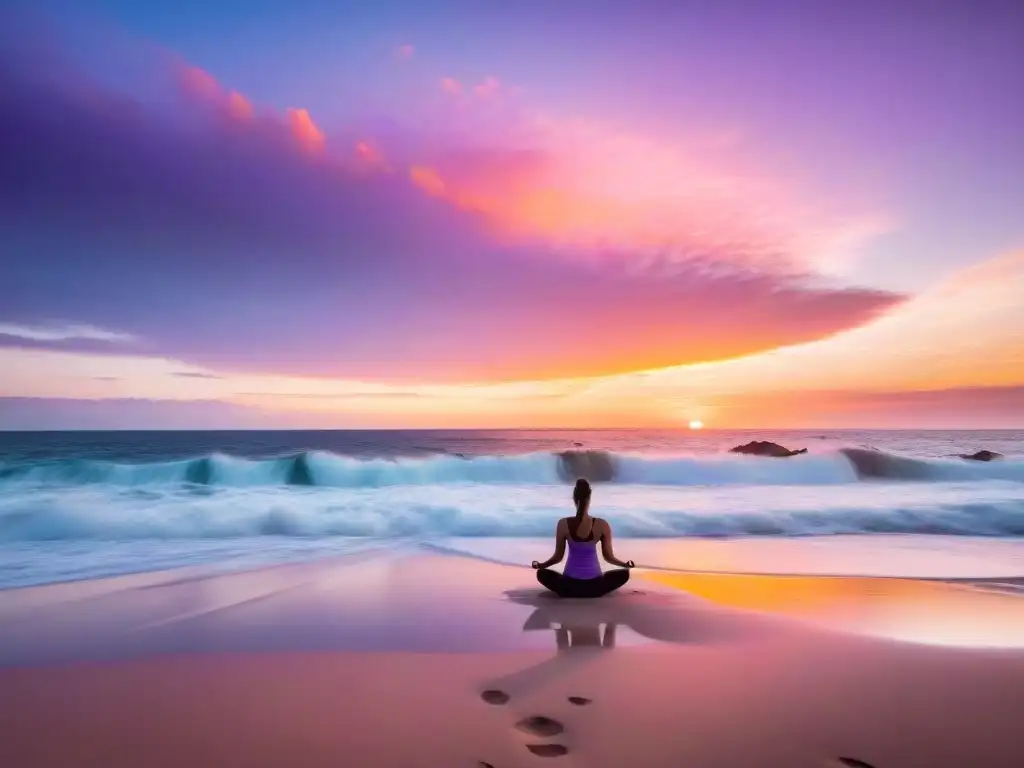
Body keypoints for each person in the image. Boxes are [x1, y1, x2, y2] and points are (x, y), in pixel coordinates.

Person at [531, 478, 634, 598]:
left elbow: (557, 558)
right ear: (589, 498)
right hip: (595, 588)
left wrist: (541, 565)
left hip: (568, 587)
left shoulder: (563, 524)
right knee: (624, 574)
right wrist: (625, 565)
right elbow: (609, 558)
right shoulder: (602, 525)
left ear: (574, 498)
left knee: (542, 574)